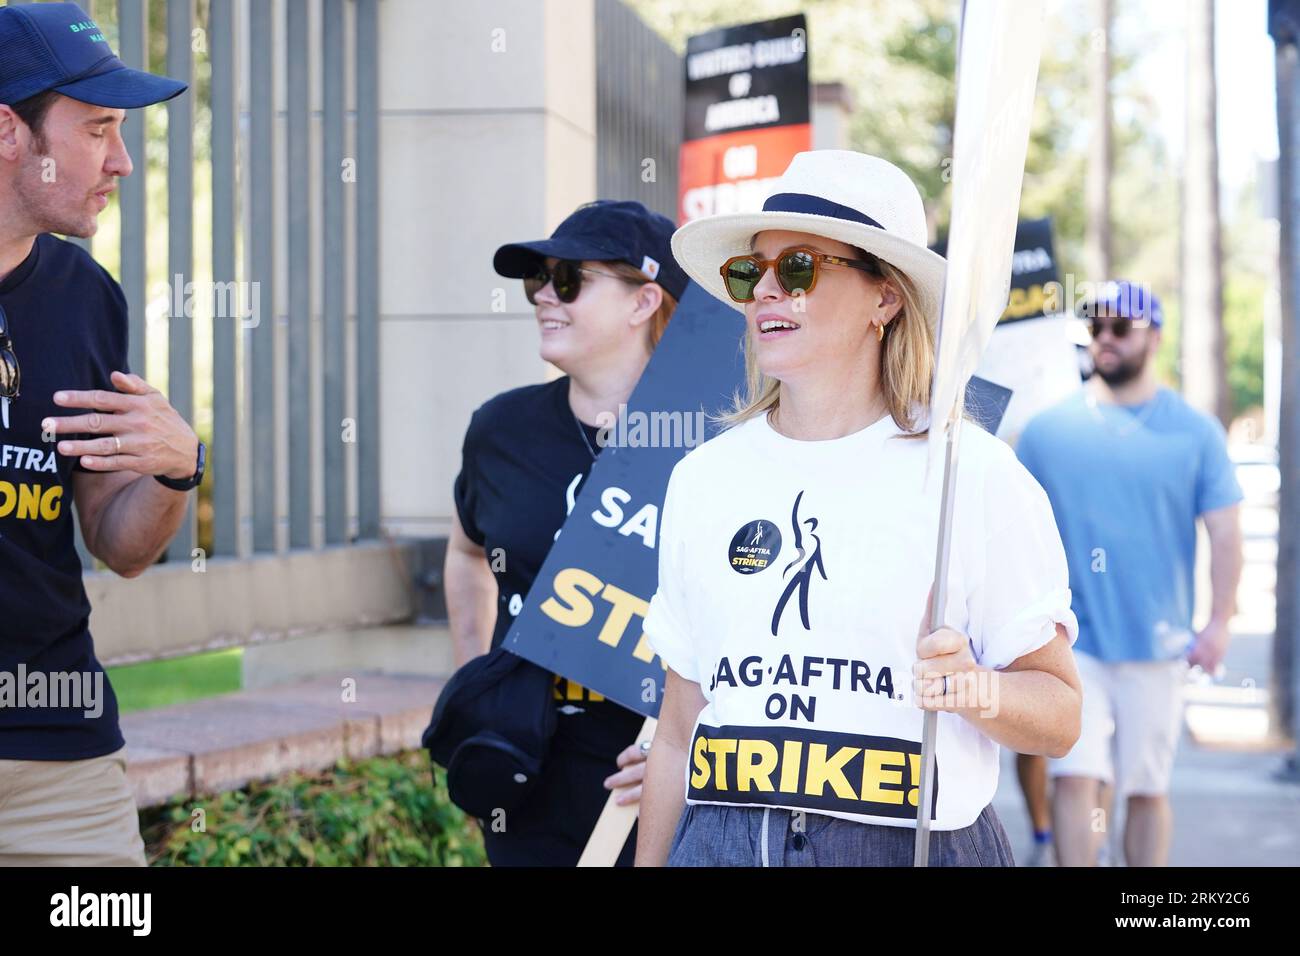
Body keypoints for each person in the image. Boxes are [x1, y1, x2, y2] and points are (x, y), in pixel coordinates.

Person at [635, 149, 1083, 867]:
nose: (766, 291)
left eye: (799, 268)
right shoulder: (702, 478)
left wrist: (976, 689)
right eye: (750, 271)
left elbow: (1060, 718)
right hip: (719, 845)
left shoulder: (974, 475)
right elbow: (677, 731)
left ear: (886, 298)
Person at [0, 2, 202, 866]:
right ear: (9, 131)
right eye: (96, 129)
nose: (121, 160)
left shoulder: (86, 295)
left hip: (61, 753)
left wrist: (173, 470)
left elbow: (118, 545)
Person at [444, 199, 688, 866]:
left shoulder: (717, 440)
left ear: (644, 301)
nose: (545, 297)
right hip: (525, 770)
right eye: (538, 281)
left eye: (570, 280)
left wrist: (693, 745)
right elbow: (466, 553)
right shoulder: (500, 430)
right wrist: (477, 686)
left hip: (658, 780)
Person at [1014, 281, 1244, 867]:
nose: (1105, 339)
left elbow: (1224, 533)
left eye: (1121, 327)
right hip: (1072, 643)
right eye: (1096, 328)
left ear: (1155, 336)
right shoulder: (1045, 433)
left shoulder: (1195, 433)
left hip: (1158, 646)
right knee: (1076, 777)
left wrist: (1219, 622)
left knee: (1145, 789)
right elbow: (1012, 533)